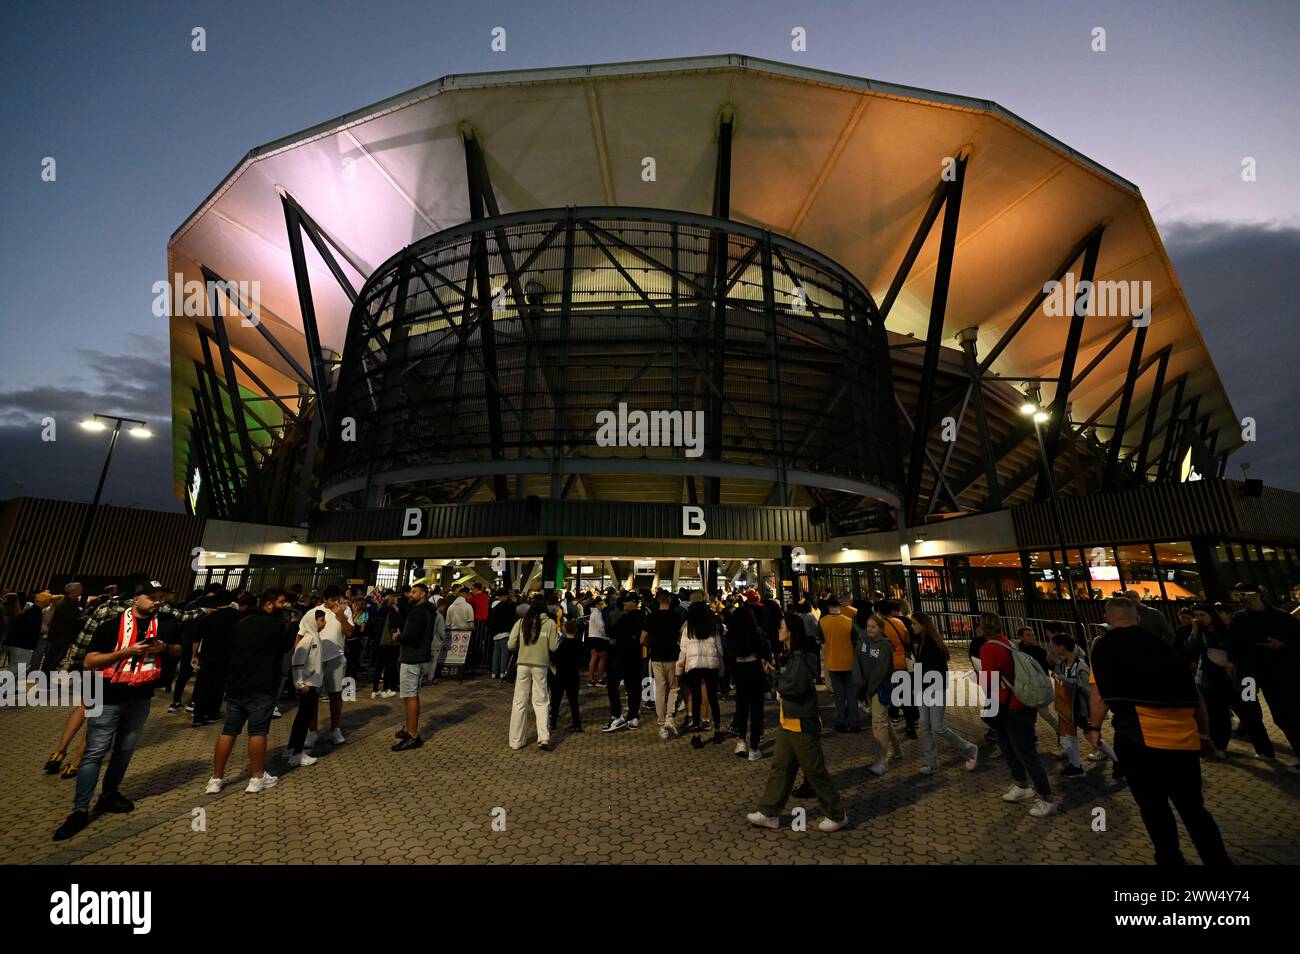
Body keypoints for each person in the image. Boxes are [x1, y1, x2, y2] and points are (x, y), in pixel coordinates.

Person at [1088, 597, 1230, 864]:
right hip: (1184, 737)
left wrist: (1093, 727)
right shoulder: (1163, 646)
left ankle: (1169, 858)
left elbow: (1098, 696)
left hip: (1138, 737)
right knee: (1193, 809)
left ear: (1108, 617)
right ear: (1138, 618)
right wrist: (1204, 736)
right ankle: (1218, 861)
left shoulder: (1105, 647)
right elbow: (1196, 698)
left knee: (1153, 807)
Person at [52, 582, 181, 841]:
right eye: (151, 597)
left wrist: (164, 649)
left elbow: (178, 650)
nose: (157, 602)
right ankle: (79, 810)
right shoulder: (111, 626)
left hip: (141, 697)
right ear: (135, 598)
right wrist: (127, 651)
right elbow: (90, 661)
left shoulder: (164, 625)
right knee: (95, 752)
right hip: (108, 696)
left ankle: (109, 795)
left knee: (124, 750)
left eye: (160, 598)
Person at [748, 612, 847, 832]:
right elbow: (790, 683)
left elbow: (793, 687)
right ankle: (768, 812)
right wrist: (775, 674)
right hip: (789, 720)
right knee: (780, 768)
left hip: (802, 721)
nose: (778, 629)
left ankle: (837, 814)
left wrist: (775, 679)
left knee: (814, 770)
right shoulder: (794, 658)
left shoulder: (800, 659)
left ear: (790, 631)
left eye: (781, 626)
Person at [205, 590, 293, 793]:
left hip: (237, 685)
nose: (285, 606)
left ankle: (216, 778)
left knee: (229, 731)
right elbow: (284, 647)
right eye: (281, 602)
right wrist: (290, 627)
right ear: (269, 604)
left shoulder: (241, 623)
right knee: (258, 732)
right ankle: (256, 777)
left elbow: (230, 650)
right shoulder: (275, 625)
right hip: (262, 686)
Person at [979, 612, 1056, 818]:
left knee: (1025, 752)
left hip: (1009, 706)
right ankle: (1021, 785)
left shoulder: (989, 648)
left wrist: (979, 677)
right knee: (1012, 748)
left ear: (982, 628)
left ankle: (1046, 797)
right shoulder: (1007, 643)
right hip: (1018, 703)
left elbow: (989, 682)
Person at [1227, 584, 1300, 771]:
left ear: (1259, 594)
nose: (1244, 598)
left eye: (1248, 593)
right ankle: (1264, 749)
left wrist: (1281, 645)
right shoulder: (1239, 619)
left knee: (1287, 715)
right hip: (1249, 675)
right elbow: (1234, 646)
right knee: (1251, 710)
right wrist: (1233, 664)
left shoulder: (1280, 617)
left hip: (1280, 673)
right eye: (1240, 594)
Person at [1186, 602, 1271, 758]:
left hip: (1242, 679)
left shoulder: (1230, 630)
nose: (1199, 619)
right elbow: (1191, 649)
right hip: (1214, 681)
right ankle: (1219, 748)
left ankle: (1265, 750)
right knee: (1218, 716)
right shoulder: (1201, 633)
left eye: (1202, 615)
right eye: (1196, 616)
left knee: (1251, 715)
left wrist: (1253, 681)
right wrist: (1195, 631)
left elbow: (1245, 653)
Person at [910, 612, 978, 774]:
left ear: (923, 625)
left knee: (938, 727)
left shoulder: (933, 644)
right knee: (925, 726)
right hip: (922, 688)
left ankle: (968, 748)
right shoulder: (920, 642)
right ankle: (931, 762)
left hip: (934, 688)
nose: (912, 627)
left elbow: (939, 670)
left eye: (914, 624)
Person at [1048, 632, 1121, 780]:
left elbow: (1087, 688)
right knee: (1070, 737)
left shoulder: (1081, 665)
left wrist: (1066, 680)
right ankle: (1075, 766)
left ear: (1062, 647)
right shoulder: (1062, 664)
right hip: (1068, 708)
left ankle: (1118, 761)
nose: (1054, 649)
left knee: (1091, 735)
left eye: (1055, 646)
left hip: (1081, 709)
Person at [301, 585, 352, 746]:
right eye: (332, 600)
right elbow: (301, 633)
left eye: (338, 599)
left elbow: (350, 632)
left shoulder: (345, 610)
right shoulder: (313, 612)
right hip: (314, 658)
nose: (336, 602)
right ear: (324, 600)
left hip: (336, 658)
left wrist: (341, 616)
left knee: (336, 695)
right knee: (313, 696)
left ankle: (335, 729)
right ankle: (312, 731)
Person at [508, 598, 560, 750]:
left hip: (522, 664)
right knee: (541, 701)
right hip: (541, 666)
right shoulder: (550, 623)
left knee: (519, 701)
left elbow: (511, 644)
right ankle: (543, 738)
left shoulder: (522, 622)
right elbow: (554, 647)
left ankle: (516, 741)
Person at [853, 614, 902, 775]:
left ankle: (882, 761)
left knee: (878, 723)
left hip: (880, 688)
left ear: (881, 629)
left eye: (873, 626)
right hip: (867, 688)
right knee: (883, 720)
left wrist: (869, 689)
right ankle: (897, 750)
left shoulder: (885, 646)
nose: (870, 629)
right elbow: (856, 662)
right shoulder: (862, 643)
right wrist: (860, 682)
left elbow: (882, 670)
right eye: (868, 626)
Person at [676, 600, 724, 749]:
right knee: (712, 698)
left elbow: (683, 651)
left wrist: (679, 669)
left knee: (696, 699)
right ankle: (717, 731)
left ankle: (696, 735)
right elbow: (719, 648)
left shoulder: (688, 627)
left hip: (694, 666)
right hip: (711, 666)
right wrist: (721, 667)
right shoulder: (712, 627)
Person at [727, 601, 771, 760]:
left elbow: (729, 655)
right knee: (757, 708)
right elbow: (764, 652)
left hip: (739, 669)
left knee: (742, 705)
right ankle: (754, 747)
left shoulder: (732, 634)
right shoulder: (755, 632)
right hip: (754, 669)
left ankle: (741, 741)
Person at [393, 583, 434, 751]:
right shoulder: (430, 610)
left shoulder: (419, 612)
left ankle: (412, 734)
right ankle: (408, 727)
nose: (411, 594)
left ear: (423, 594)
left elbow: (413, 636)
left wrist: (399, 637)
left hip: (412, 657)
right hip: (421, 656)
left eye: (414, 592)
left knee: (410, 696)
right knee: (412, 694)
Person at [286, 609, 325, 767]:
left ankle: (291, 748)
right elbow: (297, 661)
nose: (324, 623)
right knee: (304, 719)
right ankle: (297, 754)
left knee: (302, 717)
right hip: (307, 685)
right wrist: (300, 684)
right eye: (321, 620)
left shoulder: (315, 637)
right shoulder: (308, 639)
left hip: (312, 683)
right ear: (312, 621)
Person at [602, 594, 645, 733]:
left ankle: (617, 715)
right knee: (633, 686)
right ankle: (633, 717)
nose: (624, 604)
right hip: (637, 656)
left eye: (626, 601)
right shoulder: (643, 616)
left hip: (622, 656)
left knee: (612, 684)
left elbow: (611, 632)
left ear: (634, 602)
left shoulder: (625, 618)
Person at [642, 592, 682, 740]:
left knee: (659, 689)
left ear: (658, 601)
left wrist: (650, 645)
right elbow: (679, 637)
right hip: (672, 655)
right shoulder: (675, 617)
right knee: (673, 687)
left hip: (656, 656)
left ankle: (661, 724)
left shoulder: (651, 617)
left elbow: (642, 639)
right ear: (670, 601)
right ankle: (670, 716)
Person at [817, 596, 859, 733]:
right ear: (839, 607)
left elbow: (820, 640)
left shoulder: (822, 622)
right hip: (849, 662)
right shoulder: (849, 621)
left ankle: (842, 721)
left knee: (839, 695)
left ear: (828, 607)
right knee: (851, 694)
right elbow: (856, 640)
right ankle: (854, 723)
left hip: (833, 663)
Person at [549, 619, 584, 733]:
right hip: (573, 675)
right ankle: (576, 723)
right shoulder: (579, 644)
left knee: (556, 700)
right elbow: (582, 660)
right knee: (573, 701)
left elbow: (556, 659)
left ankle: (553, 722)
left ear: (564, 629)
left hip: (560, 675)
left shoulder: (562, 644)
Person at [488, 588, 517, 680]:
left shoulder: (492, 606)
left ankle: (493, 672)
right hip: (504, 632)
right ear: (503, 597)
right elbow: (512, 613)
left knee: (495, 653)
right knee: (504, 653)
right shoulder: (504, 606)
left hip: (495, 633)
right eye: (505, 597)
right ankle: (502, 672)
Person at [586, 594, 608, 687]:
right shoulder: (597, 614)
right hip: (599, 638)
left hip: (591, 637)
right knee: (603, 658)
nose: (602, 606)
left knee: (593, 658)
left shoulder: (592, 613)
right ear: (597, 605)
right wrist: (606, 636)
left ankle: (591, 680)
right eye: (601, 604)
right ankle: (600, 679)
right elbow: (601, 628)